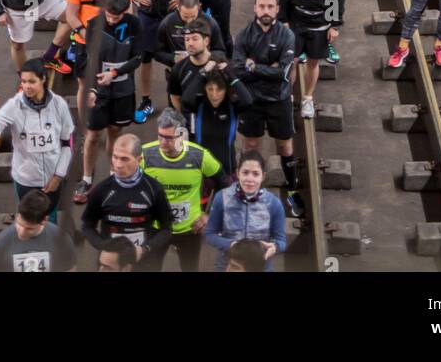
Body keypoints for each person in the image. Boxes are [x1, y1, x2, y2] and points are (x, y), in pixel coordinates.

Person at [233, 0, 302, 217]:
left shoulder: (287, 35)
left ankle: (292, 191)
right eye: (261, 6)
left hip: (278, 100)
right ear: (254, 9)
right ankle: (249, 192)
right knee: (250, 146)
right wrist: (266, 69)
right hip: (251, 100)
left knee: (285, 147)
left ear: (277, 9)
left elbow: (282, 73)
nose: (265, 10)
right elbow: (237, 69)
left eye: (270, 6)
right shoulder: (244, 35)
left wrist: (253, 67)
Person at [72, 0, 143, 203]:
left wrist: (115, 73)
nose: (111, 20)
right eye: (109, 15)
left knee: (115, 132)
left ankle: (114, 176)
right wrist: (91, 89)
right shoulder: (94, 25)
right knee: (93, 135)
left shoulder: (134, 24)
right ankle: (86, 179)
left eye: (116, 16)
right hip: (100, 91)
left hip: (123, 90)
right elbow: (85, 61)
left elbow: (138, 57)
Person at [0, 61, 74, 213]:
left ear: (43, 79)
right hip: (25, 179)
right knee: (29, 218)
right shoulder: (14, 106)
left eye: (32, 81)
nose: (27, 86)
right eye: (24, 81)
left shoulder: (58, 104)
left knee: (50, 217)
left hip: (53, 178)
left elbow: (67, 143)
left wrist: (58, 176)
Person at [141, 108, 223, 271]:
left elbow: (224, 182)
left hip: (189, 229)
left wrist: (209, 214)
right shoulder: (145, 155)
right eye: (160, 136)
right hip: (156, 228)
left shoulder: (199, 156)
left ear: (181, 136)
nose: (163, 142)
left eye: (169, 138)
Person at [65, 0, 134, 123]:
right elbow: (70, 14)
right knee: (84, 85)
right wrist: (84, 33)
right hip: (84, 41)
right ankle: (85, 125)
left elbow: (128, 12)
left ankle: (110, 120)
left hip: (113, 42)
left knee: (111, 84)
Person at [80, 133, 174, 268]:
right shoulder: (102, 190)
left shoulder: (153, 189)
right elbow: (87, 227)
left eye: (125, 159)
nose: (118, 164)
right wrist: (105, 247)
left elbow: (166, 229)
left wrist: (145, 249)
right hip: (110, 263)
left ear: (139, 159)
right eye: (115, 157)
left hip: (142, 261)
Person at [205, 150, 287, 271]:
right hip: (228, 266)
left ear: (263, 176)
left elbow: (281, 241)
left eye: (255, 174)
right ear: (238, 173)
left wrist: (275, 247)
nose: (250, 179)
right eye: (245, 172)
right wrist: (230, 245)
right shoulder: (221, 198)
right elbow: (210, 234)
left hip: (260, 267)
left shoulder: (274, 203)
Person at [181, 65, 252, 179]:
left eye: (219, 89)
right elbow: (185, 100)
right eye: (210, 89)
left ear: (226, 90)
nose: (214, 95)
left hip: (227, 170)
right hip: (202, 171)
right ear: (204, 88)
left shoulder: (232, 106)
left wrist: (231, 75)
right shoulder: (199, 105)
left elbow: (248, 101)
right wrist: (202, 73)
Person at [0, 188, 76, 272]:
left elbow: (70, 269)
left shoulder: (62, 240)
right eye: (19, 224)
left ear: (44, 220)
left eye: (29, 229)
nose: (22, 232)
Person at [154, 0, 227, 67]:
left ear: (199, 7)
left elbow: (220, 51)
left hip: (204, 69)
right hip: (179, 70)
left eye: (193, 16)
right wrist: (173, 58)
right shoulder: (167, 23)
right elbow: (158, 52)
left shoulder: (210, 23)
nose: (189, 21)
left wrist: (206, 58)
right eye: (185, 16)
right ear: (178, 8)